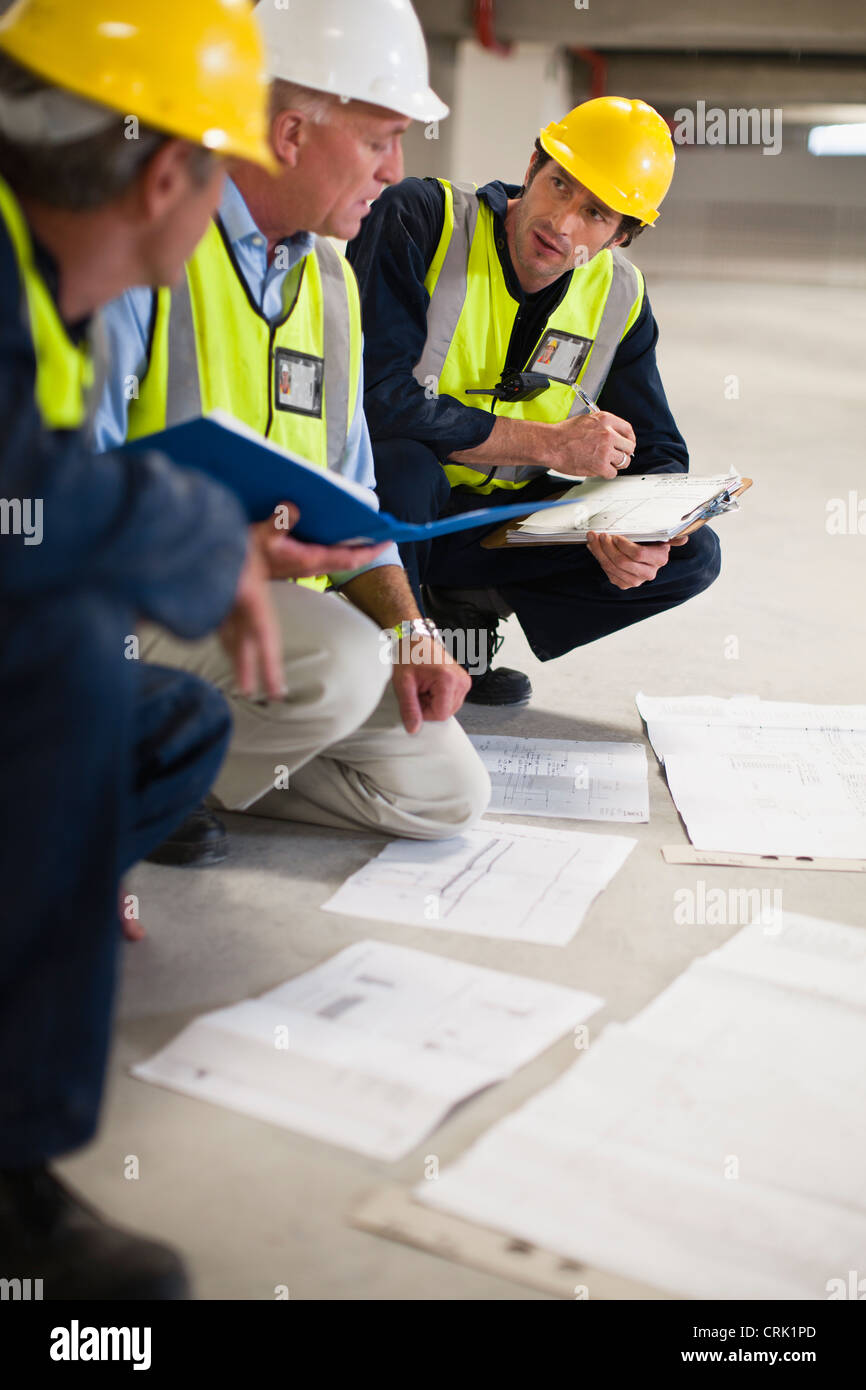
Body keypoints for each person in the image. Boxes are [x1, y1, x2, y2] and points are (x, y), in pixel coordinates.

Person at [0, 0, 283, 1298]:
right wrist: (192, 529)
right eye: (224, 165)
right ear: (168, 174)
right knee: (64, 656)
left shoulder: (46, 278)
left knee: (169, 724)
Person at [95, 0, 491, 861]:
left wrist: (411, 632)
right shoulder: (149, 243)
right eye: (381, 138)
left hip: (277, 632)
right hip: (138, 610)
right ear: (289, 134)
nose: (397, 171)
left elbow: (355, 509)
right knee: (338, 665)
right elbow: (62, 491)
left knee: (446, 790)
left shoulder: (333, 287)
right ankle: (110, 775)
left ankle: (185, 769)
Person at [347, 96, 722, 706]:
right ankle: (396, 644)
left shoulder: (618, 292)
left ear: (622, 235)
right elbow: (375, 401)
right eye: (558, 186)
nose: (562, 223)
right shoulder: (422, 217)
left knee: (694, 553)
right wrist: (549, 444)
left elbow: (658, 450)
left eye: (596, 213)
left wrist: (644, 531)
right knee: (401, 463)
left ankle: (459, 611)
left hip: (492, 527)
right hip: (394, 507)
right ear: (531, 167)